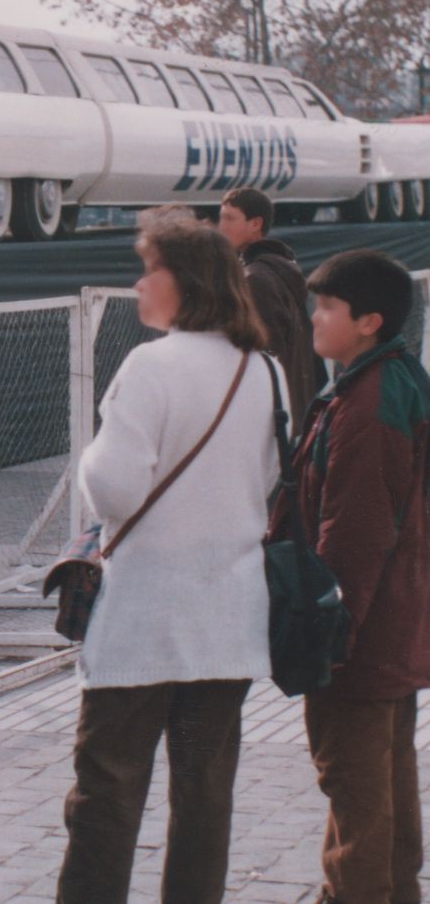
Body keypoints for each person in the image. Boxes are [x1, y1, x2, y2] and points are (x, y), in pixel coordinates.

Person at [57, 207, 279, 904]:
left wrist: (93, 452)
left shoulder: (149, 365)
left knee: (108, 796)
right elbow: (268, 481)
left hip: (145, 622)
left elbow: (113, 491)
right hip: (227, 619)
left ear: (183, 281)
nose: (139, 283)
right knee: (204, 800)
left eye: (150, 269)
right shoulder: (264, 370)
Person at [268, 249, 430, 904]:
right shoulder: (396, 379)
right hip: (396, 626)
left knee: (357, 795)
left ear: (369, 321)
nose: (314, 318)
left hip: (362, 636)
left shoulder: (366, 403)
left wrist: (329, 638)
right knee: (386, 787)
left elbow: (356, 534)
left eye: (327, 308)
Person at [218, 186, 326, 431]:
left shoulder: (255, 278)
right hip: (290, 409)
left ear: (255, 223)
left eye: (229, 218)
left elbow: (265, 353)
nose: (221, 226)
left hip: (269, 416)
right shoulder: (278, 268)